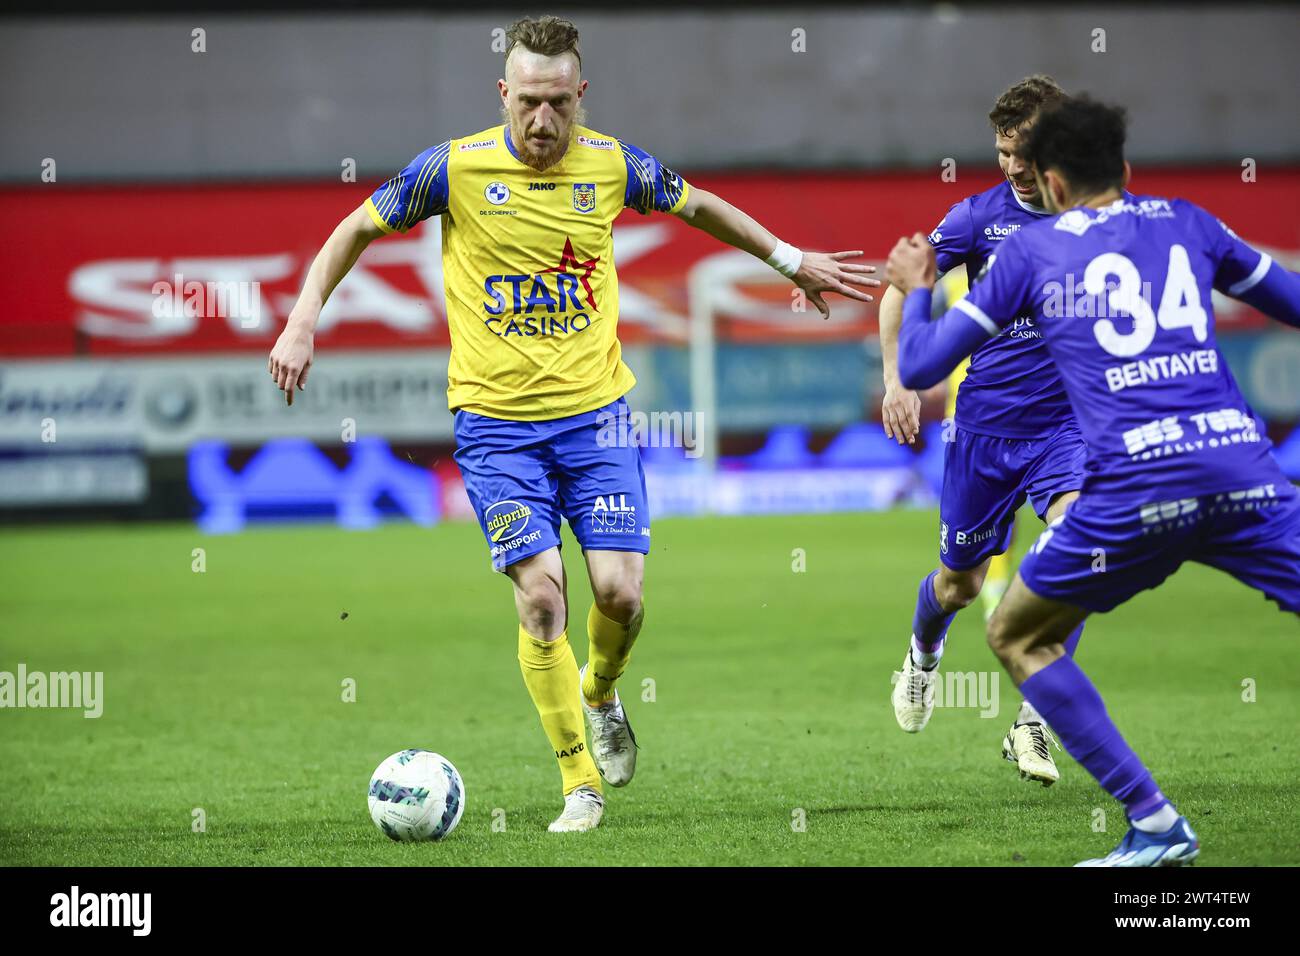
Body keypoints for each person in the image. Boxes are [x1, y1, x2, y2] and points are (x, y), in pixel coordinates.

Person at [268, 14, 878, 832]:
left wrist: (789, 260)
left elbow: (698, 206)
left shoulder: (613, 164)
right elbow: (354, 229)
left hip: (597, 421)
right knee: (543, 602)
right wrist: (304, 318)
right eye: (528, 103)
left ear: (580, 94)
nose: (544, 121)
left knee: (620, 595)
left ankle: (599, 692)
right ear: (504, 94)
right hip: (495, 427)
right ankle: (578, 783)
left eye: (559, 102)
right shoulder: (450, 169)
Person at [886, 95, 1300, 865]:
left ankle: (1148, 815)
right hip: (1241, 468)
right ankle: (926, 657)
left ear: (1053, 183)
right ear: (1128, 170)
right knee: (959, 583)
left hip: (1132, 484)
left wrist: (916, 285)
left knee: (1014, 629)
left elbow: (920, 365)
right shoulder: (1192, 222)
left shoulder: (1033, 255)